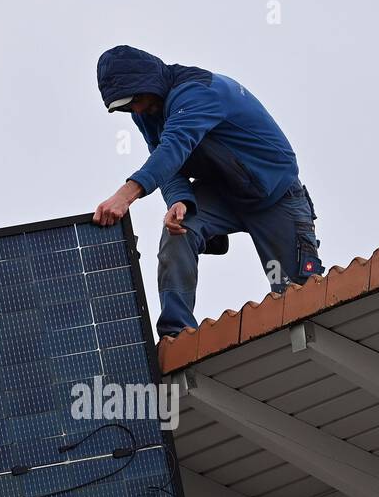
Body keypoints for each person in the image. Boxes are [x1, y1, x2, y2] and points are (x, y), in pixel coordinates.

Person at [92, 45, 323, 339]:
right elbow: (167, 163)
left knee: (302, 302)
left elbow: (175, 145)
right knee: (178, 230)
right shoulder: (146, 113)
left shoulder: (199, 92)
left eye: (135, 99)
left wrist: (125, 195)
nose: (135, 109)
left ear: (148, 82)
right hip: (221, 193)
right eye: (127, 106)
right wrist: (178, 198)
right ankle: (177, 334)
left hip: (274, 197)